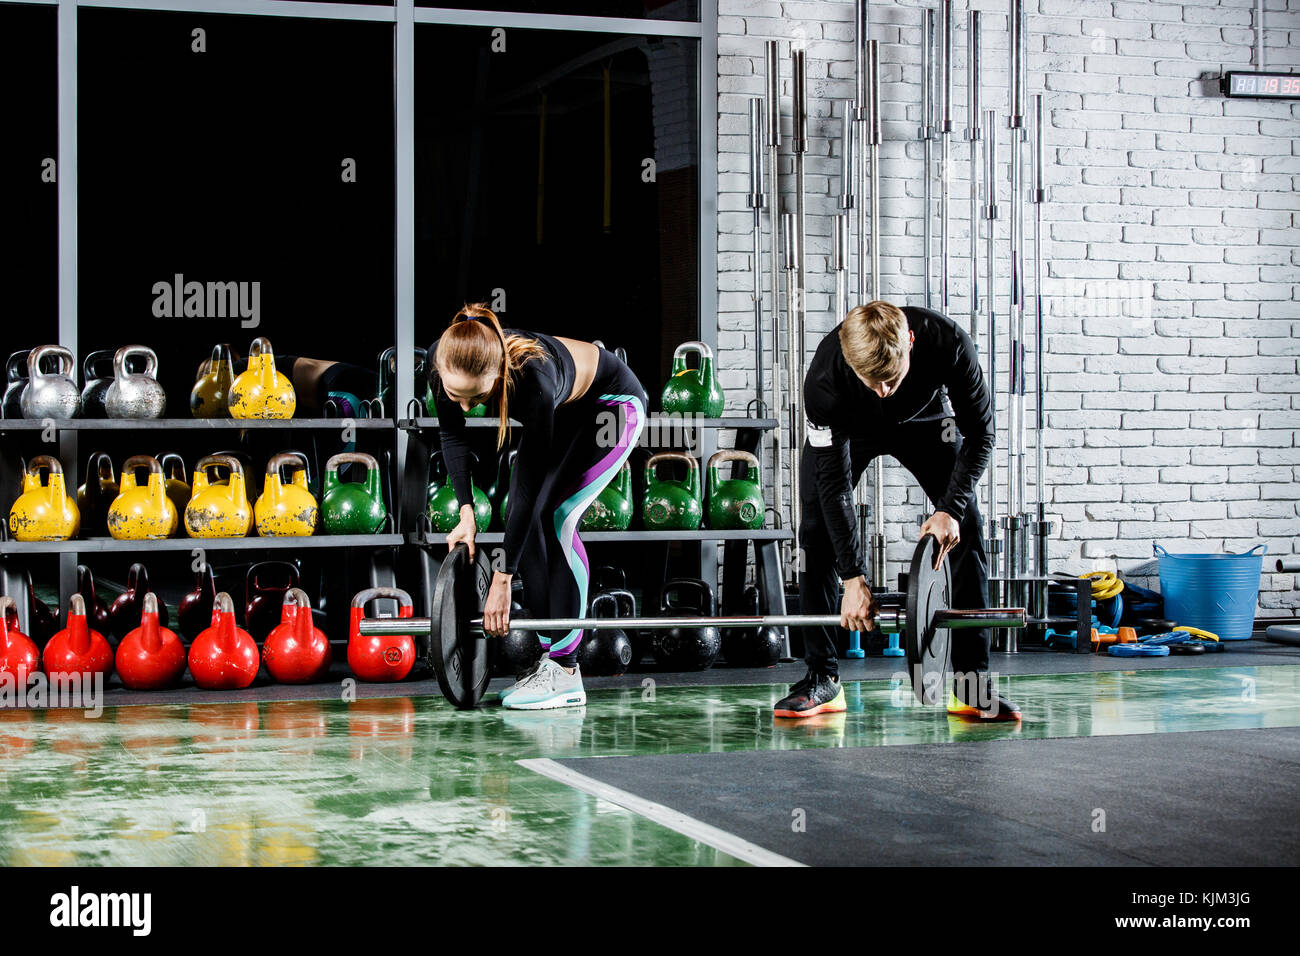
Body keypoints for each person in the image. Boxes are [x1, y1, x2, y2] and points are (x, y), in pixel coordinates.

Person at [773, 300, 1021, 721]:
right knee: (815, 531)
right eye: (871, 381)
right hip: (849, 429)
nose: (883, 391)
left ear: (910, 342)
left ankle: (970, 685)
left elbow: (982, 434)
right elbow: (834, 489)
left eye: (889, 378)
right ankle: (822, 680)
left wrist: (950, 509)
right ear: (851, 362)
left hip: (926, 423)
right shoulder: (824, 379)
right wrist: (852, 578)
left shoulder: (949, 344)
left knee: (968, 531)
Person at [431, 304, 646, 710]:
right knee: (528, 524)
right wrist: (466, 512)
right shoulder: (441, 357)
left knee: (557, 515)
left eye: (476, 397)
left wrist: (502, 579)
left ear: (499, 375)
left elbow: (527, 486)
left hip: (613, 408)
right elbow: (452, 435)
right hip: (570, 411)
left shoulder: (533, 379)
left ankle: (565, 673)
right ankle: (551, 664)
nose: (465, 406)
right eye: (456, 395)